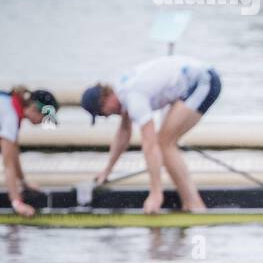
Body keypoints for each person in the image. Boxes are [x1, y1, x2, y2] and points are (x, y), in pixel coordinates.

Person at [81, 56, 223, 214]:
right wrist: (107, 170)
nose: (106, 117)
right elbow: (124, 133)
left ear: (105, 99)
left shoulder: (133, 97)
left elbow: (149, 144)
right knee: (165, 143)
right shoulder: (121, 89)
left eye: (102, 113)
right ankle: (189, 204)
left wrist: (155, 193)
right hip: (192, 80)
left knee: (164, 143)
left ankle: (195, 207)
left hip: (203, 80)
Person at [1, 87, 58, 217]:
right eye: (45, 119)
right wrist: (17, 204)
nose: (43, 123)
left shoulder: (10, 106)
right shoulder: (10, 116)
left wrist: (24, 183)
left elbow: (14, 153)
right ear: (35, 109)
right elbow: (8, 164)